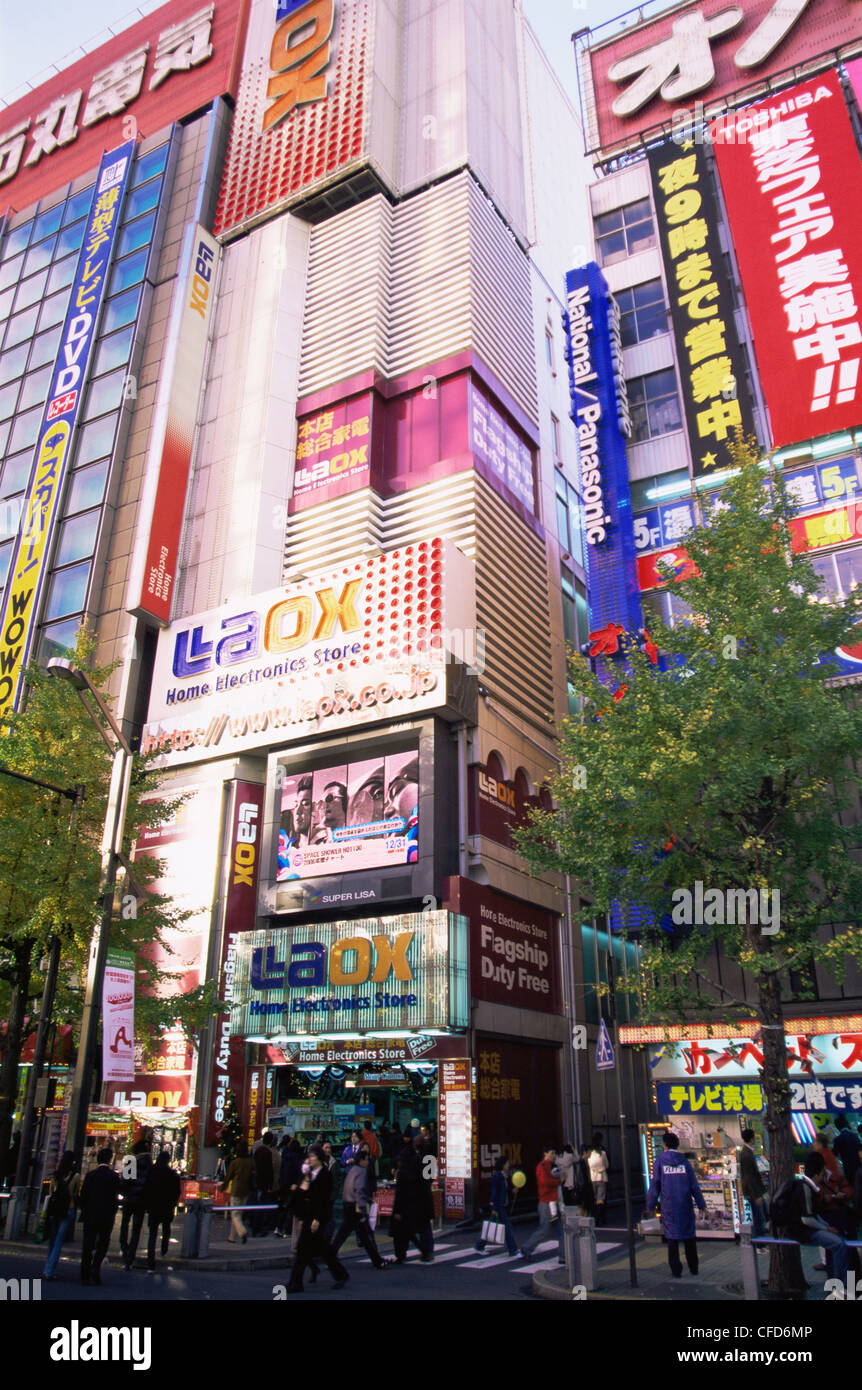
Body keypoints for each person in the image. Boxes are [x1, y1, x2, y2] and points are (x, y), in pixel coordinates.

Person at [777, 1151, 849, 1286]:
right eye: (822, 1173)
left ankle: (837, 1282)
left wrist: (826, 1226)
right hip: (804, 1231)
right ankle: (842, 1285)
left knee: (836, 1242)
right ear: (817, 1174)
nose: (824, 1175)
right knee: (839, 1244)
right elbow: (807, 1219)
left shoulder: (805, 1186)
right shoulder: (805, 1188)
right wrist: (826, 1227)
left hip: (803, 1229)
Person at [644, 1131, 706, 1279]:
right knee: (689, 1237)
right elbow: (693, 1185)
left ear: (664, 1145)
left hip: (668, 1205)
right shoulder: (684, 1161)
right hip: (685, 1204)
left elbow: (655, 1185)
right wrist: (701, 1203)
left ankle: (676, 1270)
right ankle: (694, 1268)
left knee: (672, 1239)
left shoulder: (660, 1161)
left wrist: (650, 1206)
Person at [286, 1145, 349, 1293]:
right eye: (309, 1157)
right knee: (322, 1249)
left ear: (320, 1158)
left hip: (317, 1217)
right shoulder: (308, 1174)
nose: (310, 1160)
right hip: (307, 1216)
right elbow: (302, 1195)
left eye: (313, 1157)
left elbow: (323, 1200)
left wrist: (318, 1219)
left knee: (302, 1249)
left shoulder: (324, 1175)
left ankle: (296, 1282)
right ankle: (339, 1274)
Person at [331, 1149, 390, 1268]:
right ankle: (377, 1260)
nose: (368, 1162)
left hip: (348, 1204)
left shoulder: (352, 1170)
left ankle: (331, 1255)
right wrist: (362, 1205)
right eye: (367, 1160)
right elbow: (359, 1189)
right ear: (362, 1160)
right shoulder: (362, 1171)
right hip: (356, 1206)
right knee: (365, 1234)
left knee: (348, 1233)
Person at [78, 1146, 120, 1286]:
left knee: (87, 1245)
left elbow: (83, 1195)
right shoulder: (114, 1177)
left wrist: (85, 1209)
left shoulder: (90, 1176)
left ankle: (84, 1274)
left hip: (90, 1214)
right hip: (106, 1216)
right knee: (103, 1243)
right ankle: (96, 1268)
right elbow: (115, 1197)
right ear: (110, 1160)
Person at [391, 1138, 435, 1263]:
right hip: (423, 1201)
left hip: (411, 1204)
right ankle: (427, 1252)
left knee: (407, 1230)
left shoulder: (406, 1170)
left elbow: (401, 1192)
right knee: (423, 1228)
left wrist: (398, 1209)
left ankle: (405, 1253)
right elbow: (430, 1179)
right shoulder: (426, 1159)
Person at [520, 1146, 565, 1263]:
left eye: (555, 1153)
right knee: (545, 1229)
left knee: (561, 1229)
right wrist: (559, 1181)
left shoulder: (552, 1166)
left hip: (555, 1201)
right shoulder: (542, 1166)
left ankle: (563, 1256)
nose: (554, 1155)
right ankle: (526, 1248)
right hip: (546, 1202)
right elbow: (544, 1182)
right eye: (552, 1153)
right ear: (545, 1154)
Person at [474, 1156, 522, 1258]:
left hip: (501, 1206)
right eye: (507, 1163)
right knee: (507, 1228)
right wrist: (494, 1208)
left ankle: (479, 1246)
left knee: (492, 1226)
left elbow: (503, 1190)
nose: (509, 1165)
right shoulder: (497, 1176)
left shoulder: (503, 1176)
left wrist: (511, 1190)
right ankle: (513, 1251)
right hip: (499, 1206)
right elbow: (494, 1192)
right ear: (503, 1165)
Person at [43, 1151, 81, 1281]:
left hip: (54, 1209)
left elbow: (51, 1192)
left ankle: (48, 1267)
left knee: (52, 1240)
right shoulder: (75, 1176)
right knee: (59, 1240)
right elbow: (75, 1193)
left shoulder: (55, 1176)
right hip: (67, 1209)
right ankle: (50, 1269)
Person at [143, 1151, 181, 1271]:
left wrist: (148, 1203)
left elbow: (146, 1188)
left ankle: (151, 1261)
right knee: (166, 1229)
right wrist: (173, 1203)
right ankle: (164, 1249)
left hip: (154, 1206)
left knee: (152, 1234)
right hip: (166, 1206)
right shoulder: (172, 1174)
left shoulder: (152, 1172)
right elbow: (177, 1191)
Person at [119, 1137, 153, 1270]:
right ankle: (130, 1257)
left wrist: (124, 1192)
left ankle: (124, 1247)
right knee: (136, 1229)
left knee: (125, 1224)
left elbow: (124, 1182)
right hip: (141, 1200)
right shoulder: (150, 1164)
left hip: (129, 1198)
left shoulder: (131, 1161)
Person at [738, 1129, 768, 1238]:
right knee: (759, 1217)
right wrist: (756, 1195)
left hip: (754, 1191)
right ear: (751, 1138)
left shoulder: (747, 1152)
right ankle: (760, 1243)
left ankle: (760, 1241)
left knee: (760, 1216)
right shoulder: (747, 1154)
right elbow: (749, 1176)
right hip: (753, 1192)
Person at [223, 1139, 253, 1243]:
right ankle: (231, 1237)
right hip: (246, 1190)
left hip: (236, 1190)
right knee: (238, 1214)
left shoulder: (235, 1162)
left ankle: (242, 1232)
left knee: (235, 1214)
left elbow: (228, 1177)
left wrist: (223, 1187)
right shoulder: (250, 1162)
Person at [251, 1130, 277, 1235]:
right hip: (264, 1183)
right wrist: (270, 1184)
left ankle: (255, 1226)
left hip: (257, 1181)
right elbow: (269, 1170)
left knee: (258, 1202)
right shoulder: (267, 1153)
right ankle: (258, 1227)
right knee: (262, 1205)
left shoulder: (258, 1151)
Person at [833, 1117, 862, 1186]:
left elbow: (834, 1154)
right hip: (859, 1167)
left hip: (848, 1169)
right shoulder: (855, 1136)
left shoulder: (838, 1139)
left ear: (837, 1127)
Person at [588, 1133, 609, 1227]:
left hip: (593, 1178)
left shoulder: (589, 1154)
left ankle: (596, 1217)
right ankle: (599, 1218)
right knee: (601, 1199)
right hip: (602, 1177)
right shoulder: (603, 1153)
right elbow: (607, 1165)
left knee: (595, 1198)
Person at [576, 1144, 596, 1218]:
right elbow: (580, 1179)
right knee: (584, 1210)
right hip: (584, 1190)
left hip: (585, 1189)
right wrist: (585, 1190)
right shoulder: (581, 1163)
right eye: (590, 1152)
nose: (590, 1153)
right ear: (585, 1152)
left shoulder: (584, 1162)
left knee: (586, 1210)